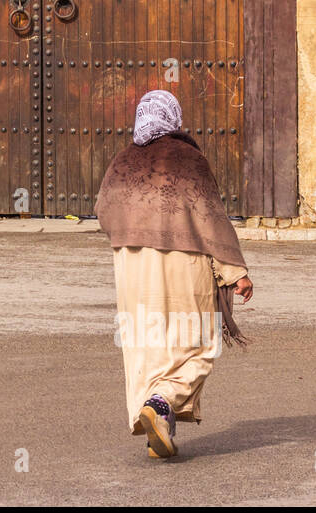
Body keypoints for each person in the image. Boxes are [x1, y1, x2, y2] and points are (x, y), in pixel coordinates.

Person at [93, 90, 254, 459]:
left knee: (148, 348)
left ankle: (156, 432)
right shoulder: (187, 159)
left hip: (132, 268)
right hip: (184, 264)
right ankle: (162, 404)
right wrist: (234, 271)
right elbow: (210, 218)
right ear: (173, 117)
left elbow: (103, 211)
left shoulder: (123, 160)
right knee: (198, 343)